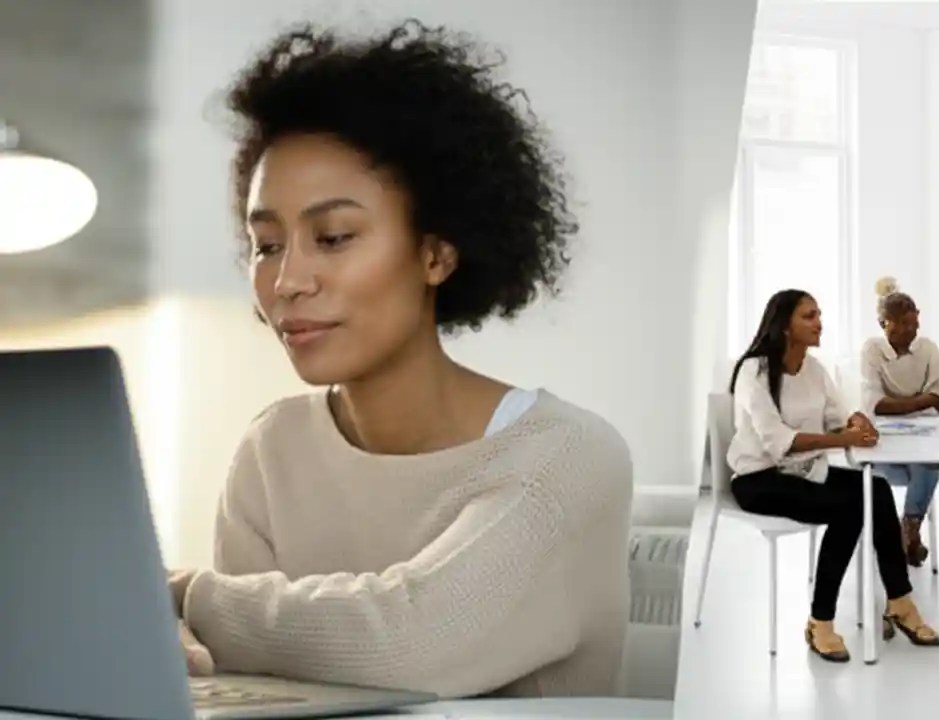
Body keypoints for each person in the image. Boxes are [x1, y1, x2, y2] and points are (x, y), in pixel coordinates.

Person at [164, 22, 633, 699]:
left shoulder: (568, 459)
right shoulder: (275, 450)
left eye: (333, 237)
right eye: (266, 245)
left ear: (437, 254)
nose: (288, 280)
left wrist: (184, 595)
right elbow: (249, 684)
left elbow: (412, 642)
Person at [729, 289, 939, 662]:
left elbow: (837, 416)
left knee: (874, 489)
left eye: (819, 314)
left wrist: (857, 422)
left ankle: (899, 601)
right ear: (784, 326)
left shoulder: (815, 370)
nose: (819, 323)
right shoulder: (755, 371)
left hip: (804, 472)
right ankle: (821, 622)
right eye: (808, 316)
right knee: (849, 508)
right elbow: (778, 440)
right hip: (758, 479)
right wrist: (842, 437)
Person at [860, 277, 939, 567]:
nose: (913, 329)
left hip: (923, 441)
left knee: (931, 460)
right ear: (885, 323)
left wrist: (900, 405)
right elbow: (876, 405)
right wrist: (919, 402)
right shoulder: (872, 350)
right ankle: (910, 535)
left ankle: (908, 531)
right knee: (928, 464)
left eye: (916, 322)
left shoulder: (928, 349)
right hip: (886, 449)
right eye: (905, 324)